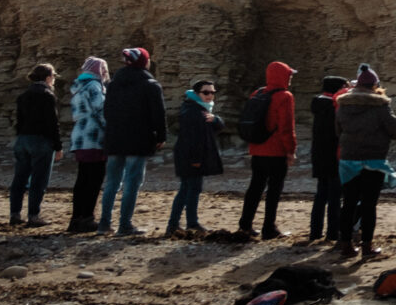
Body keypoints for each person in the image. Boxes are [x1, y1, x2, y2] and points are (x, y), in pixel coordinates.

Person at [334, 64, 396, 260]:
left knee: (348, 203)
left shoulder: (343, 105)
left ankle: (346, 245)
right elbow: (395, 131)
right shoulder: (381, 105)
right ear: (374, 85)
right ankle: (367, 246)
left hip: (348, 159)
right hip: (374, 160)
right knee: (369, 205)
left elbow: (338, 131)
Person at [101, 47, 166, 237]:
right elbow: (158, 115)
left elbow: (107, 112)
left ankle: (104, 224)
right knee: (132, 182)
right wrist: (161, 136)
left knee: (112, 182)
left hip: (114, 139)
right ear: (144, 62)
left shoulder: (113, 84)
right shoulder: (150, 85)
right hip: (138, 139)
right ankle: (125, 225)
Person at [236, 61, 298, 240]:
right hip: (276, 150)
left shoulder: (258, 93)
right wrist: (290, 150)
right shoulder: (285, 96)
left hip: (257, 148)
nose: (291, 78)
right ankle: (269, 227)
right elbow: (286, 127)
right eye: (289, 75)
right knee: (274, 190)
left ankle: (245, 224)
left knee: (255, 187)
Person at [166, 78, 225, 235]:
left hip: (189, 156)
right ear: (197, 93)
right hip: (190, 157)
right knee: (188, 190)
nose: (210, 95)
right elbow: (191, 139)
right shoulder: (193, 111)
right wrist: (195, 160)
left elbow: (218, 128)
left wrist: (216, 119)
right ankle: (181, 224)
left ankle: (183, 223)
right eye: (206, 92)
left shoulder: (201, 109)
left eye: (212, 92)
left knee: (189, 189)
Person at [10, 64, 61, 228]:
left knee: (19, 178)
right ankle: (33, 215)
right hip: (41, 141)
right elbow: (53, 124)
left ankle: (15, 214)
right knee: (38, 180)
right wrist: (58, 146)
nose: (53, 80)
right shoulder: (48, 96)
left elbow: (19, 122)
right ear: (47, 77)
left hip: (23, 140)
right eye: (53, 76)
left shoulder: (23, 96)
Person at [66, 57, 109, 233]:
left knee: (82, 179)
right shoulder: (94, 86)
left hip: (79, 137)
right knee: (94, 179)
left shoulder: (77, 87)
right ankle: (87, 218)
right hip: (94, 137)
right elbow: (101, 110)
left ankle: (76, 219)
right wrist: (111, 131)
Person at [307, 76, 349, 242]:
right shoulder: (334, 106)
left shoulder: (318, 104)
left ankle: (315, 232)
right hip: (334, 155)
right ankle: (332, 233)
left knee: (320, 195)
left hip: (319, 155)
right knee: (334, 197)